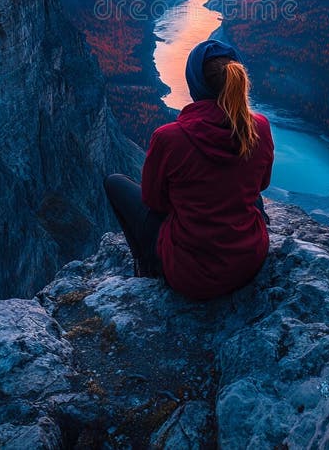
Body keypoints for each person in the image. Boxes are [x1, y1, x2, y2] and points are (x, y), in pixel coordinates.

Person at [104, 38, 274, 300]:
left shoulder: (169, 138)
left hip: (189, 276)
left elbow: (154, 202)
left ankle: (146, 268)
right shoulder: (259, 127)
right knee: (244, 184)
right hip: (249, 262)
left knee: (115, 183)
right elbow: (261, 185)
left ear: (195, 83)